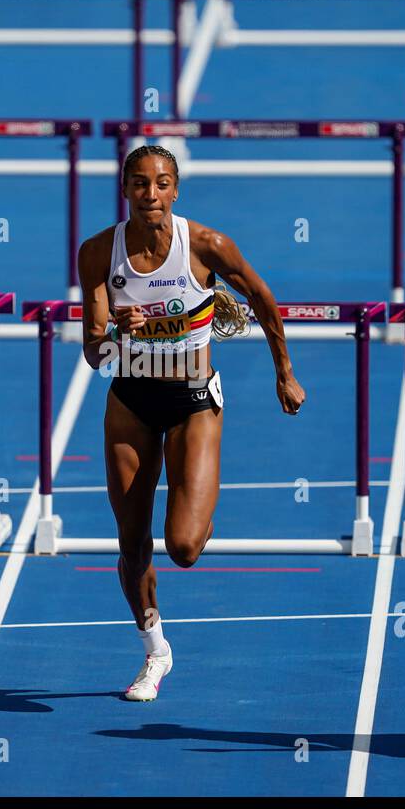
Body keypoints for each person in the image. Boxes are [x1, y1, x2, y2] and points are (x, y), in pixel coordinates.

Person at [76, 144, 305, 701]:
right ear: (125, 188)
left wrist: (284, 372)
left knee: (182, 547)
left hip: (193, 400)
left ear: (176, 190)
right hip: (129, 399)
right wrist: (117, 333)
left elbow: (266, 299)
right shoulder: (98, 252)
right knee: (132, 544)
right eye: (138, 183)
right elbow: (93, 352)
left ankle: (195, 511)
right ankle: (156, 652)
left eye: (160, 184)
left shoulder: (206, 245)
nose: (149, 194)